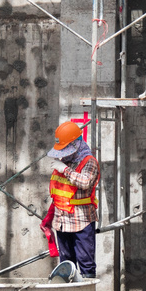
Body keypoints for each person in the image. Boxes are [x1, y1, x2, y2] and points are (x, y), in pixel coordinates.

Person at [43, 120, 99, 280]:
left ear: (75, 144)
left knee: (86, 262)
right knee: (66, 263)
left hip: (81, 220)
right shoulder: (63, 162)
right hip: (61, 221)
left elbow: (85, 182)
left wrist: (65, 170)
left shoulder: (89, 162)